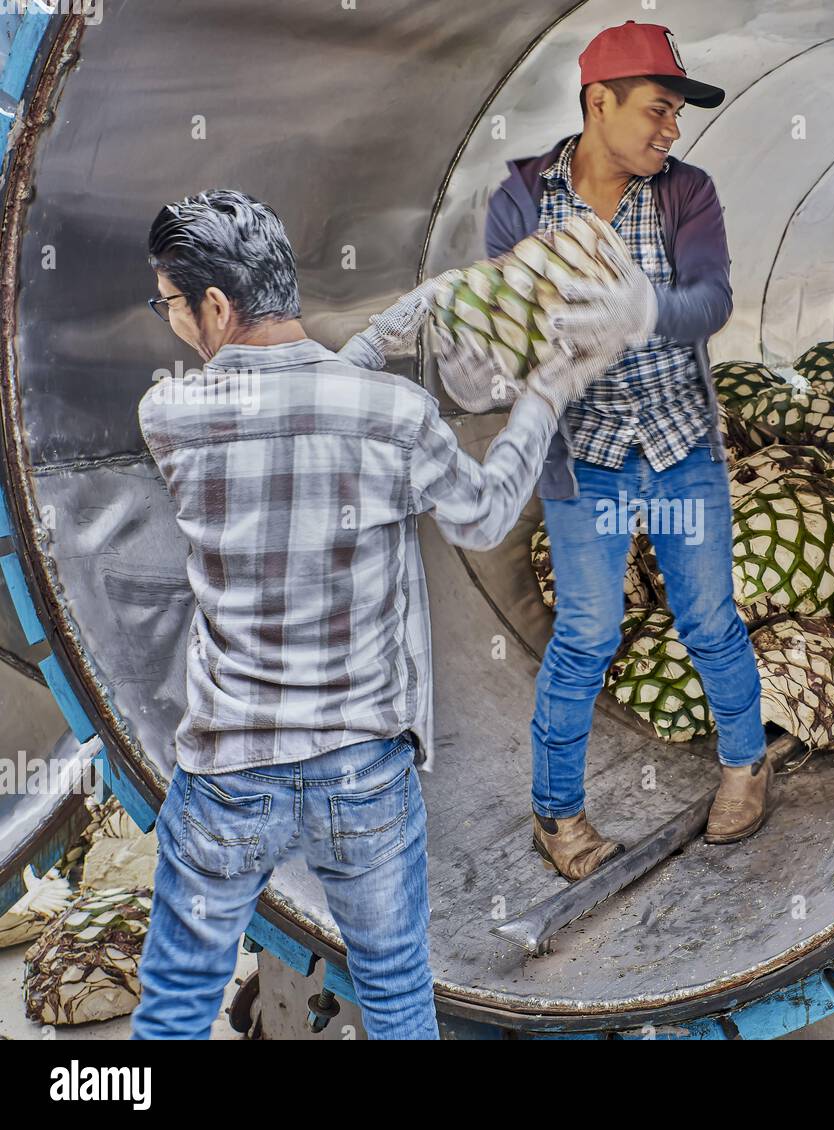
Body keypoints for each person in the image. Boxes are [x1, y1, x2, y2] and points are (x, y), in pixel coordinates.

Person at [130, 188, 642, 1038]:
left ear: (216, 306)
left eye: (172, 304)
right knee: (399, 996)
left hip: (226, 774)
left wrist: (373, 341)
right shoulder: (397, 418)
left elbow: (292, 407)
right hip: (361, 769)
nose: (174, 323)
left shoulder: (170, 416)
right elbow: (477, 512)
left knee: (177, 1007)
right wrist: (548, 390)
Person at [484, 21, 771, 882]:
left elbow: (712, 298)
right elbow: (506, 320)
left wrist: (635, 313)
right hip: (589, 457)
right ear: (597, 101)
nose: (669, 130)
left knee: (710, 620)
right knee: (586, 633)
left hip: (682, 444)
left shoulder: (688, 193)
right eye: (657, 110)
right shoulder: (522, 198)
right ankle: (558, 815)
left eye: (677, 114)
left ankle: (746, 767)